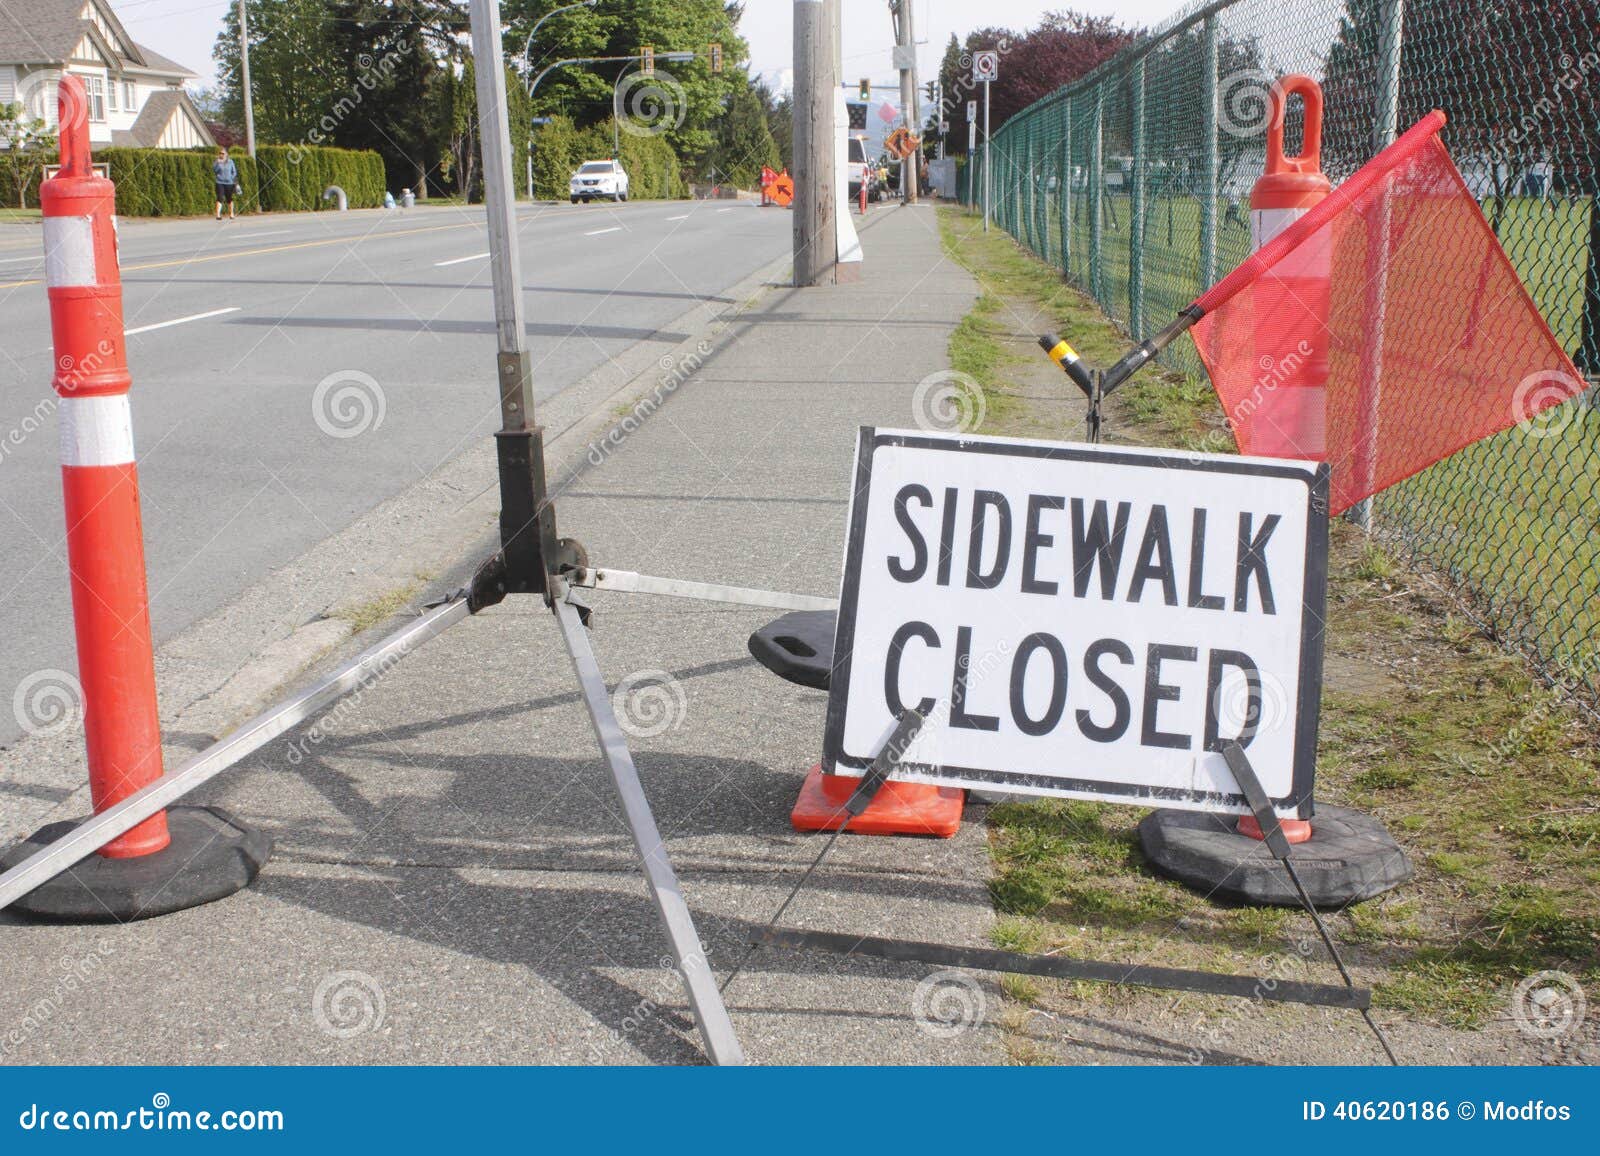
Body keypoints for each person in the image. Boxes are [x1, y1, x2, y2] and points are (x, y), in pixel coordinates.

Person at [213, 148, 238, 220]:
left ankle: (231, 214)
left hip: (229, 182)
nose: (221, 155)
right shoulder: (217, 162)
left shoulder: (230, 162)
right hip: (220, 182)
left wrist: (231, 178)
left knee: (229, 198)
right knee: (220, 197)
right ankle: (218, 215)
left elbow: (234, 171)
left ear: (226, 154)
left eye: (223, 153)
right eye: (220, 153)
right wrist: (218, 163)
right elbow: (215, 170)